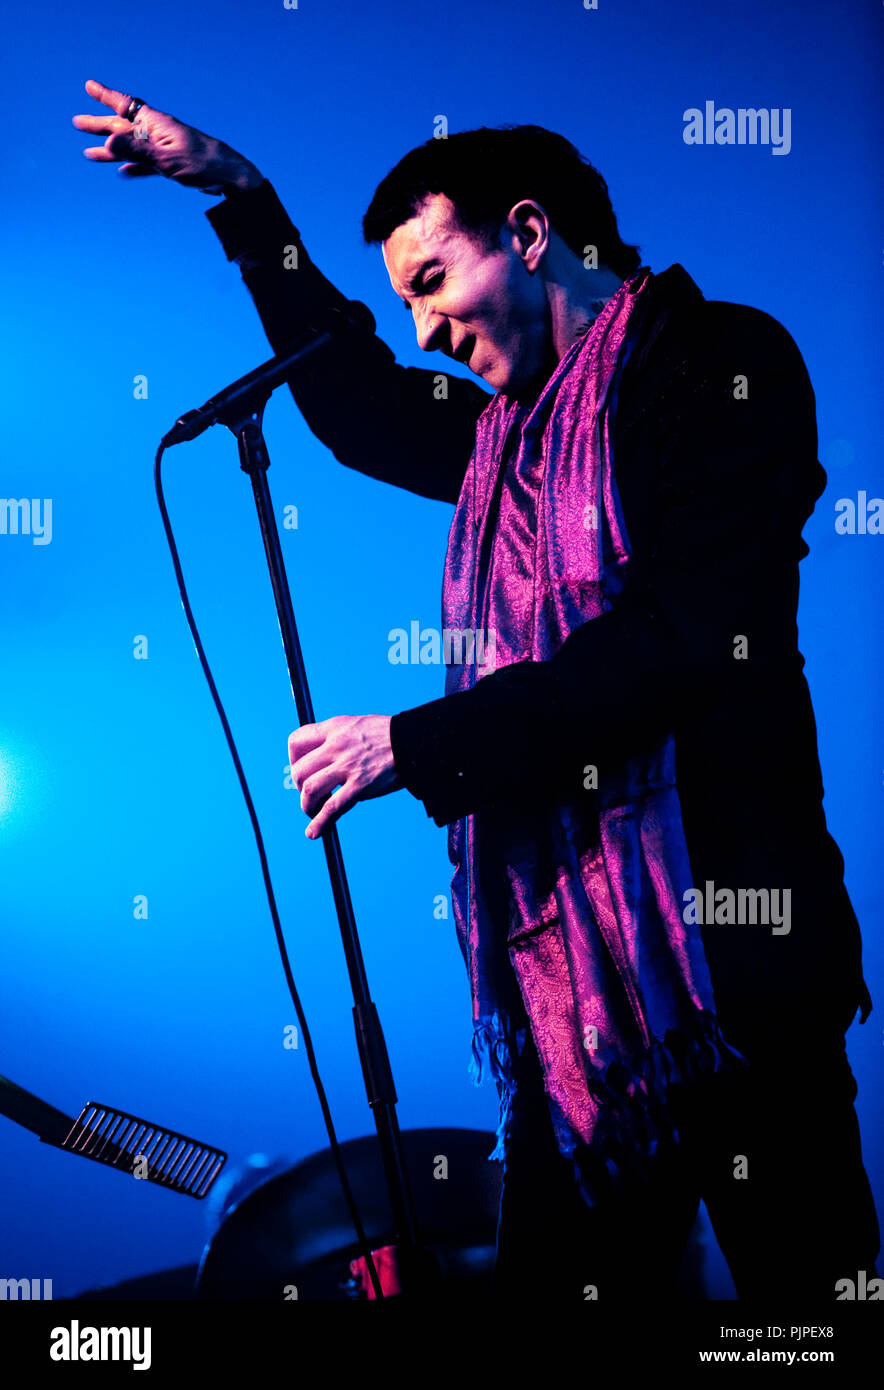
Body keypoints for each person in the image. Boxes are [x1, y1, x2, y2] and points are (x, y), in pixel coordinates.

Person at [73, 81, 879, 1301]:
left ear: (528, 233)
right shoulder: (503, 432)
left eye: (431, 283)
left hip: (730, 967)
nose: (420, 331)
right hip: (574, 1022)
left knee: (799, 1310)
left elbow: (680, 637)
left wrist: (413, 744)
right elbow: (357, 408)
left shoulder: (719, 363)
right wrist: (242, 196)